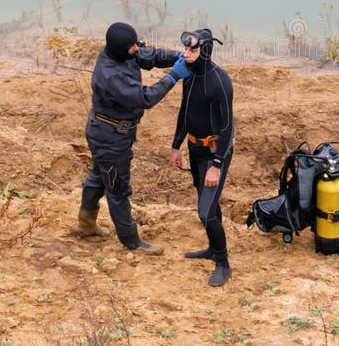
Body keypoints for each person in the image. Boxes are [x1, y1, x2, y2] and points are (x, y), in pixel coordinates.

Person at [78, 21, 190, 252]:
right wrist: (173, 76)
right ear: (121, 49)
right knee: (117, 188)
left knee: (100, 176)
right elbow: (145, 98)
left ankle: (86, 225)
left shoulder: (122, 51)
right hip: (109, 136)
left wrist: (181, 56)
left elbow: (150, 55)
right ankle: (131, 241)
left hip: (107, 130)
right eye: (132, 47)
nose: (136, 49)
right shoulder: (110, 75)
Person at [169, 28, 234, 286]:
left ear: (204, 50)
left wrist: (217, 164)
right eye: (185, 49)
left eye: (192, 50)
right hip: (195, 150)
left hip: (214, 152)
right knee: (208, 204)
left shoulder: (220, 81)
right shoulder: (190, 76)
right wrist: (176, 146)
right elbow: (184, 113)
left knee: (205, 212)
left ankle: (223, 263)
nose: (186, 53)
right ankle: (212, 248)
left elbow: (227, 127)